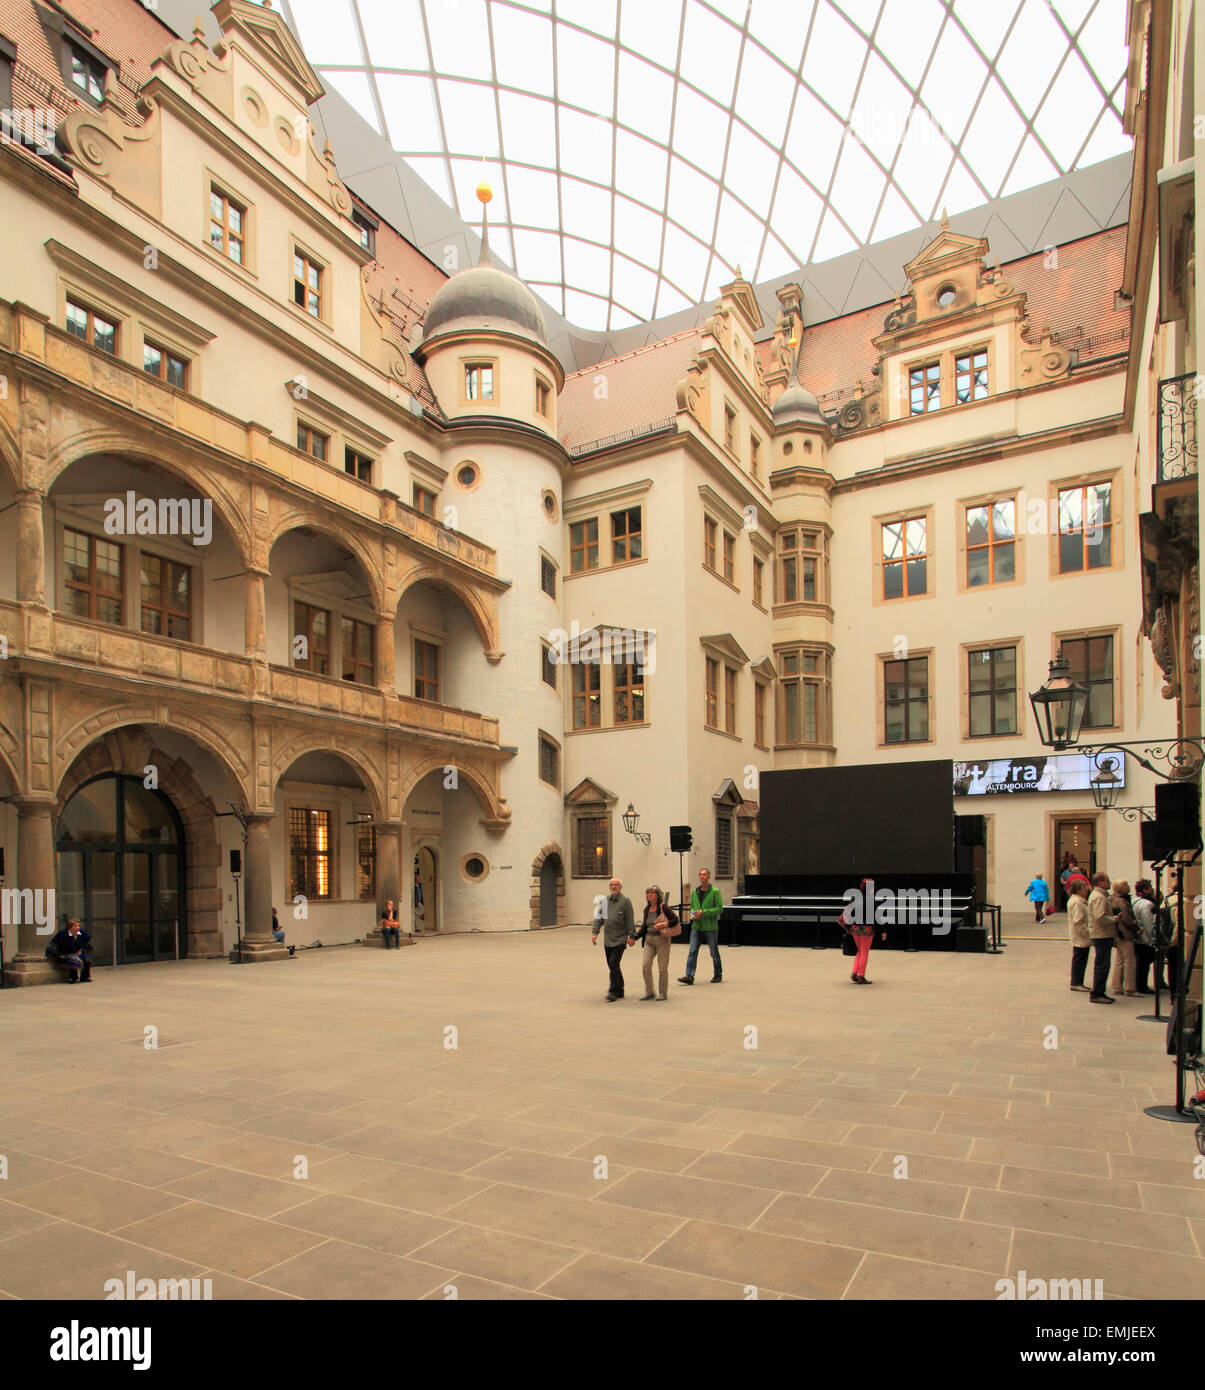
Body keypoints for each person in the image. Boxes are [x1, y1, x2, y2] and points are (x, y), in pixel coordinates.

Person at [592, 877, 635, 1001]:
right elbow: (598, 919)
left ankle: (613, 991)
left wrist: (631, 935)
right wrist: (595, 933)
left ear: (620, 887)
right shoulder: (605, 901)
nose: (614, 887)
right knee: (613, 966)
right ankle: (620, 989)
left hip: (620, 940)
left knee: (613, 963)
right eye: (612, 885)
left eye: (616, 885)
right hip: (608, 940)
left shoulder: (625, 901)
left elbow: (630, 920)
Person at [679, 867, 723, 985]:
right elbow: (693, 907)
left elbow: (719, 908)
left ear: (708, 877)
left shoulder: (714, 891)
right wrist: (693, 915)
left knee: (713, 952)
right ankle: (689, 976)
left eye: (704, 874)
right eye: (700, 875)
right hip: (696, 926)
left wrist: (704, 912)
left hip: (710, 927)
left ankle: (718, 973)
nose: (702, 876)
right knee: (692, 951)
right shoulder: (695, 892)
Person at [838, 877, 886, 984]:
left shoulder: (856, 898)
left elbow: (850, 914)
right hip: (867, 930)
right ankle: (861, 975)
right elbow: (877, 917)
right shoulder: (871, 900)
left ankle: (854, 972)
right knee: (864, 952)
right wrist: (883, 931)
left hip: (855, 929)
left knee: (859, 951)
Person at [638, 885, 678, 1001]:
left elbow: (675, 920)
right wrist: (634, 938)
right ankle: (649, 991)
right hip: (649, 940)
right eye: (648, 893)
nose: (649, 895)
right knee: (645, 965)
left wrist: (663, 924)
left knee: (662, 968)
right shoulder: (647, 909)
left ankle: (663, 992)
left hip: (662, 940)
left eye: (652, 893)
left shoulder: (663, 906)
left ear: (657, 895)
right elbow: (644, 927)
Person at [1086, 871, 1115, 1003]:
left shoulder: (1100, 895)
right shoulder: (1099, 897)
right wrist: (1115, 919)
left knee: (1103, 964)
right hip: (1102, 934)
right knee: (1102, 965)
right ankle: (1097, 993)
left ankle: (1100, 992)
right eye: (1107, 881)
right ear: (1100, 882)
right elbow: (1100, 917)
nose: (1109, 883)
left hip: (1103, 934)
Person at [1108, 880, 1139, 997]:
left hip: (1118, 933)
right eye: (1126, 885)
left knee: (1119, 960)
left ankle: (1117, 986)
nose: (1128, 887)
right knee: (1129, 961)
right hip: (1124, 933)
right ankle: (1129, 987)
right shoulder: (1120, 901)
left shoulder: (1113, 899)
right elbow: (1126, 918)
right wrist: (1135, 926)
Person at [45, 916, 92, 983]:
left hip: (78, 953)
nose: (77, 928)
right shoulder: (62, 934)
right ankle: (73, 977)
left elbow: (88, 942)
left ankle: (85, 977)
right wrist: (59, 955)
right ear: (70, 927)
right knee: (74, 960)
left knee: (87, 960)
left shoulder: (82, 932)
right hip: (65, 954)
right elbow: (53, 946)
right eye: (75, 926)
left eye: (78, 926)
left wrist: (82, 950)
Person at [1132, 879, 1157, 994]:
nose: (1152, 889)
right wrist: (1152, 939)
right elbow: (1149, 923)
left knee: (1140, 963)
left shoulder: (1134, 901)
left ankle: (1139, 985)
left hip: (1137, 937)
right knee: (1143, 965)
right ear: (1145, 889)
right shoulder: (1147, 904)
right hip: (1145, 939)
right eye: (1150, 887)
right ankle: (1142, 986)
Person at [1067, 878, 1091, 991]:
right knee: (1079, 960)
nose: (1086, 889)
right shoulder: (1077, 902)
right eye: (1084, 887)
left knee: (1080, 959)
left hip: (1081, 936)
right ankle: (1076, 982)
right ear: (1078, 889)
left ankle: (1078, 982)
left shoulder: (1078, 901)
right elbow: (1078, 922)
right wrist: (1089, 933)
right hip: (1081, 937)